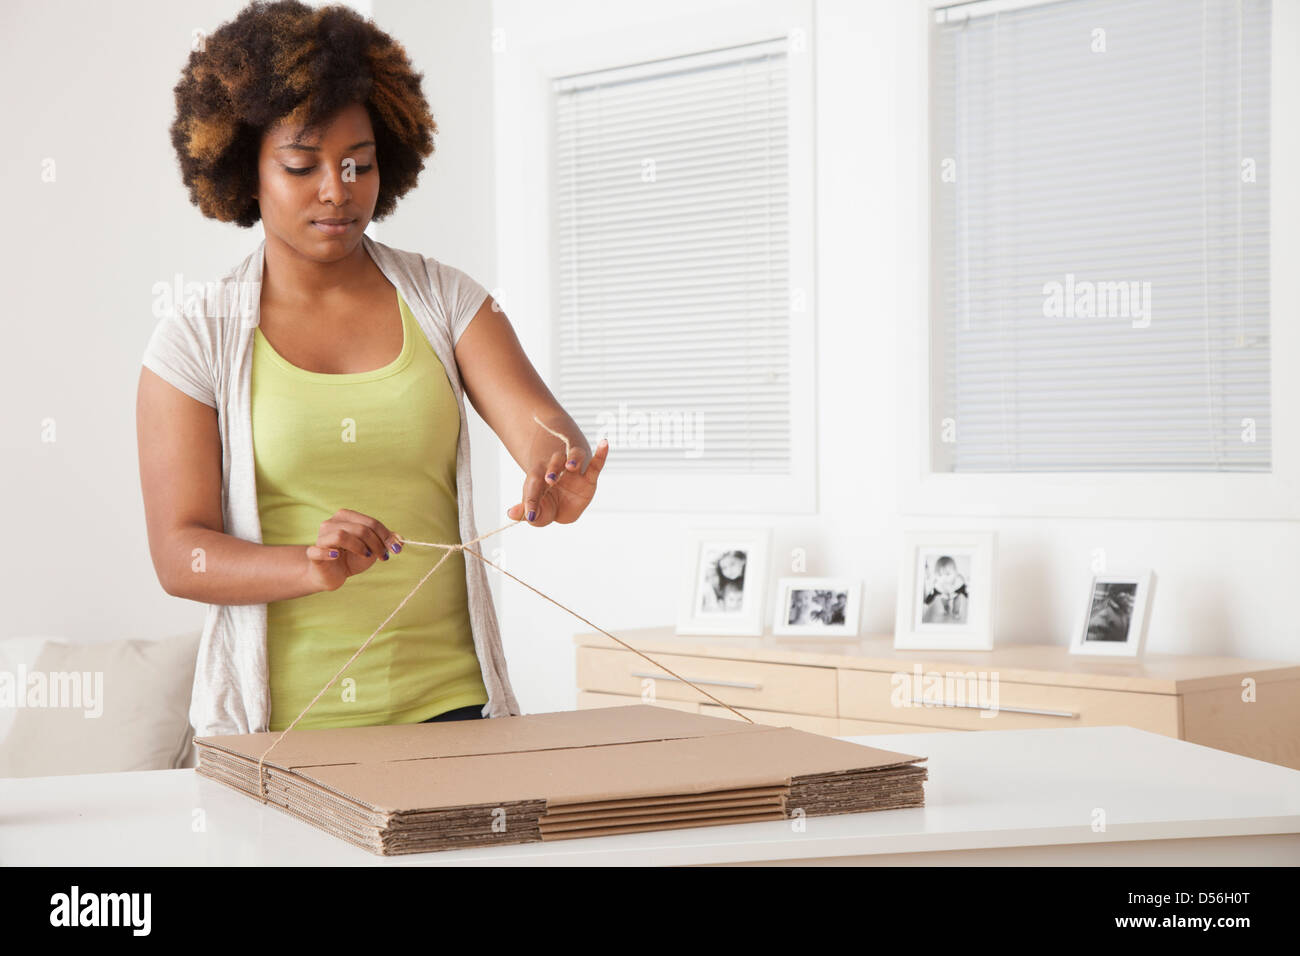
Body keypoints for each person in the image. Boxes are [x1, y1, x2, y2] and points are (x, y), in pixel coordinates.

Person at [136, 0, 609, 737]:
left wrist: (560, 470)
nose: (339, 188)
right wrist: (307, 565)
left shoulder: (446, 300)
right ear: (244, 170)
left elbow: (542, 430)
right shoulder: (195, 338)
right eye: (302, 165)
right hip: (282, 726)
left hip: (453, 710)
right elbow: (179, 554)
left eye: (359, 161)